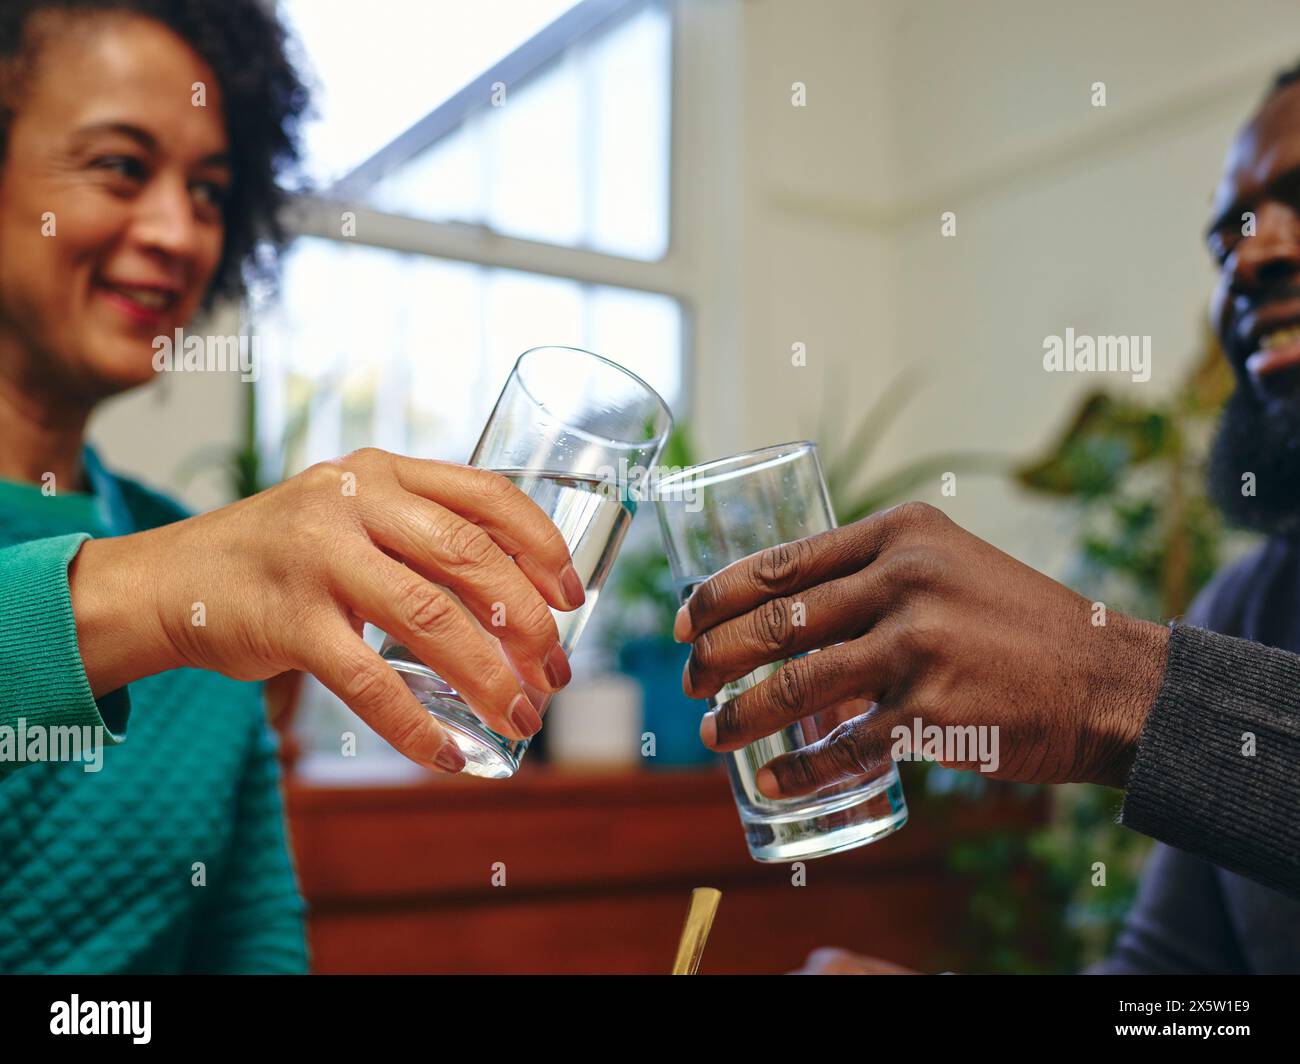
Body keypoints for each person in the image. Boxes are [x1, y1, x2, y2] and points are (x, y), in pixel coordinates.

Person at [676, 61, 1300, 974]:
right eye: (1223, 239)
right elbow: (1182, 999)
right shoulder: (1250, 603)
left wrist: (1116, 689)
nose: (1250, 253)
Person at [0, 0, 578, 974]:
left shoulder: (215, 571)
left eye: (212, 191)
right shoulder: (205, 573)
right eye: (121, 167)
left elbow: (252, 945)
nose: (180, 232)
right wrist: (163, 593)